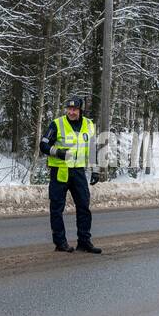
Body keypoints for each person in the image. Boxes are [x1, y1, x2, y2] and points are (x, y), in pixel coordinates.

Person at [40, 95, 101, 253]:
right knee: (57, 208)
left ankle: (84, 242)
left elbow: (93, 149)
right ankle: (60, 243)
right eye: (69, 109)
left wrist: (95, 169)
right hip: (60, 172)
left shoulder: (89, 125)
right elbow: (43, 145)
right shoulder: (57, 124)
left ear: (80, 110)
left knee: (84, 207)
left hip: (79, 172)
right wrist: (58, 152)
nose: (71, 112)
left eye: (75, 109)